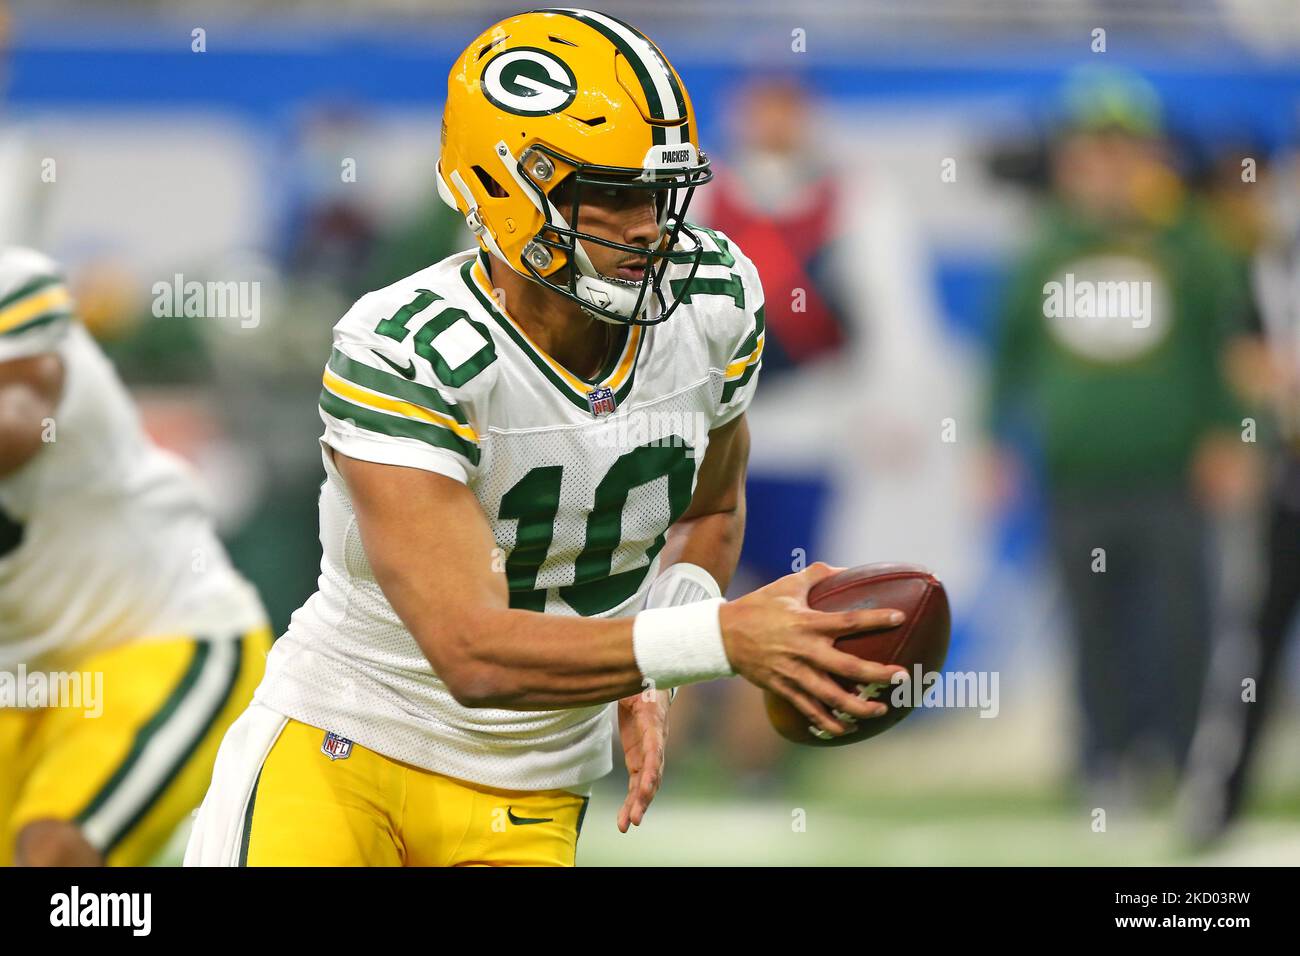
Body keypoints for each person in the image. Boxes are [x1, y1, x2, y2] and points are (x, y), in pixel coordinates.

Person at [186, 9, 908, 868]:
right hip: (352, 740)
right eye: (609, 192)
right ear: (505, 187)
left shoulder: (712, 301)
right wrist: (717, 638)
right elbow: (472, 652)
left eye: (659, 192)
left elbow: (710, 509)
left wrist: (653, 673)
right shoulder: (409, 348)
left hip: (532, 784)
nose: (647, 226)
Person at [985, 69, 1251, 805]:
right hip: (1077, 475)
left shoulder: (1190, 244)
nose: (1105, 166)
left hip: (1168, 473)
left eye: (1121, 148)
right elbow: (1007, 352)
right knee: (1092, 628)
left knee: (1179, 623)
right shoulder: (1047, 246)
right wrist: (990, 441)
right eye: (1090, 149)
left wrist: (1229, 434)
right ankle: (1102, 761)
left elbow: (1226, 346)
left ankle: (1179, 756)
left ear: (1149, 156)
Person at [0, 246, 270, 866]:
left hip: (155, 637)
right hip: (19, 681)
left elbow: (18, 421)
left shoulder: (17, 289)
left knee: (52, 857)